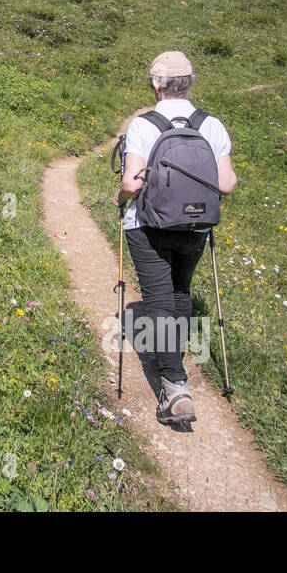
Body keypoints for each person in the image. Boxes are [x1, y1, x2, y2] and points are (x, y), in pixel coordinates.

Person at [114, 51, 237, 425]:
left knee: (158, 299)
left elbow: (132, 182)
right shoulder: (211, 125)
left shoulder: (143, 124)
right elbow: (227, 184)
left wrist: (119, 200)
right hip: (196, 225)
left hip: (149, 224)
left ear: (156, 84)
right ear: (190, 82)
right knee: (180, 291)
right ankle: (174, 356)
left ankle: (175, 384)